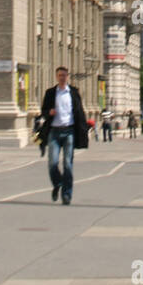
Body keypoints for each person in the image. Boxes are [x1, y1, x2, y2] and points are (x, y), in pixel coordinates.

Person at [39, 66, 89, 205]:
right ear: (56, 77)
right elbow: (43, 111)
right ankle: (58, 184)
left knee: (68, 164)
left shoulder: (73, 92)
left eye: (64, 75)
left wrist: (84, 129)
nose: (62, 77)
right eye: (60, 75)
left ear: (68, 77)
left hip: (69, 132)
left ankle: (67, 194)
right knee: (53, 163)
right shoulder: (50, 93)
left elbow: (79, 112)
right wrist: (49, 112)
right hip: (54, 131)